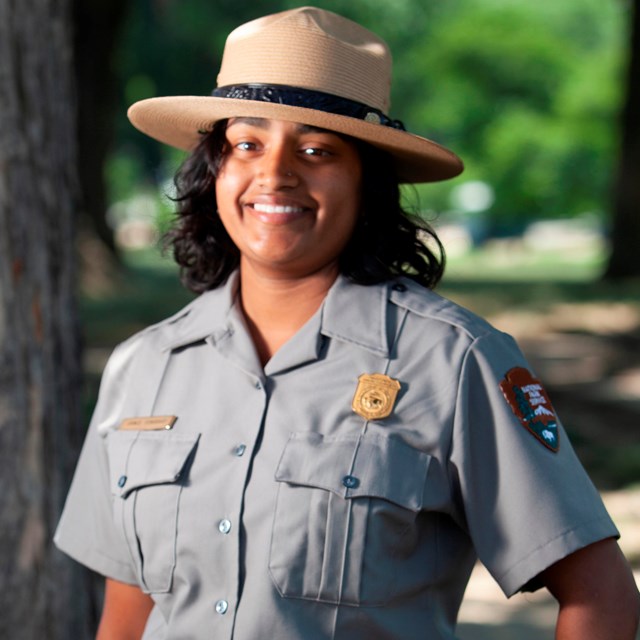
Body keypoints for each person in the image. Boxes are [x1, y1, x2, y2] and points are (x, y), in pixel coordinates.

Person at [55, 7, 639, 639]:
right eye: (247, 144)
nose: (274, 174)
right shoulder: (145, 366)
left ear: (367, 180)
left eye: (316, 150)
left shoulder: (453, 360)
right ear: (214, 169)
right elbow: (127, 613)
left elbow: (600, 594)